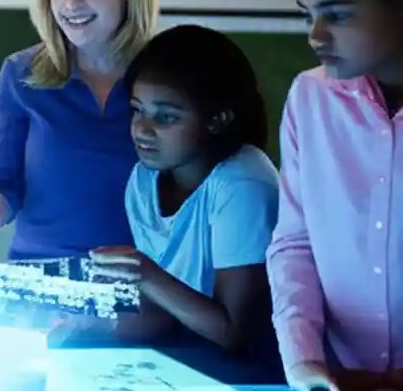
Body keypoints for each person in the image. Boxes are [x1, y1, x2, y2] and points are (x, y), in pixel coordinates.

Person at [54, 25, 279, 355]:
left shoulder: (242, 184)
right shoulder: (144, 179)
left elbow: (234, 332)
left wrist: (144, 273)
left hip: (249, 371)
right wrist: (87, 322)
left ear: (217, 120)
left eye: (166, 117)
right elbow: (162, 313)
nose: (142, 129)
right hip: (183, 358)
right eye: (137, 110)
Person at [269, 0, 403, 391]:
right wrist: (302, 358)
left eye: (338, 14)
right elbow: (294, 241)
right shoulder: (309, 99)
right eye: (308, 14)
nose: (315, 36)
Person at [0, 0, 158, 260]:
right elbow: (2, 182)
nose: (70, 3)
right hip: (40, 285)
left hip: (143, 285)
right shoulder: (19, 73)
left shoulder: (167, 76)